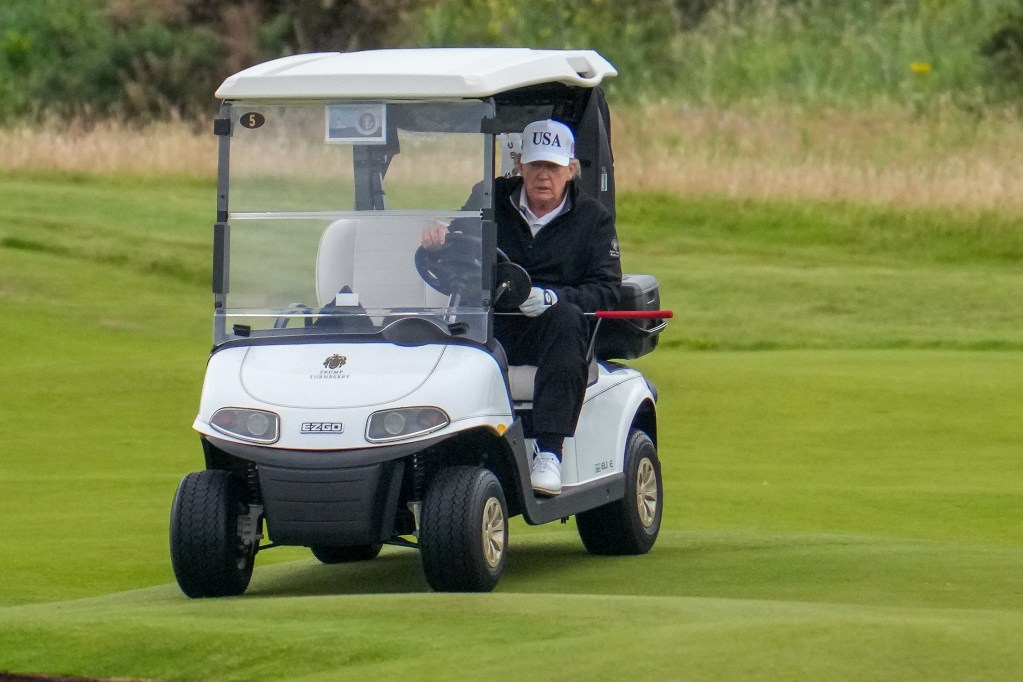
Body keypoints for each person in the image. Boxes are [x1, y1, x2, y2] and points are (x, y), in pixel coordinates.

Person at [422, 119, 621, 496]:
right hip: (490, 322)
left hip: (550, 333)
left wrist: (553, 297)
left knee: (567, 319)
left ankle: (549, 452)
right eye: (535, 165)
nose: (543, 176)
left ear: (570, 170)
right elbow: (459, 248)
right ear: (520, 166)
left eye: (553, 167)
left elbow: (607, 290)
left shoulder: (593, 219)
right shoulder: (490, 197)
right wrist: (437, 243)